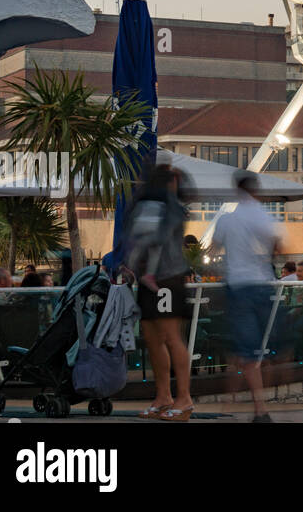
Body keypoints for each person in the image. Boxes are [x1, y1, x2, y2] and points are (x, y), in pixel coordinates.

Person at [126, 163, 194, 421]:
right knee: (154, 338)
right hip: (153, 279)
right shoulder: (166, 206)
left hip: (167, 278)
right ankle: (164, 396)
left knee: (169, 336)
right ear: (171, 181)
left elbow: (149, 238)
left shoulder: (163, 207)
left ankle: (184, 398)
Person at [212, 172, 282, 423]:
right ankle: (245, 401)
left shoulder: (227, 219)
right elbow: (277, 242)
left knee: (246, 350)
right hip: (263, 284)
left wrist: (219, 269)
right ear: (256, 190)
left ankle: (258, 408)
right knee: (258, 347)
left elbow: (213, 249)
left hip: (239, 286)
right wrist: (267, 259)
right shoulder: (263, 214)